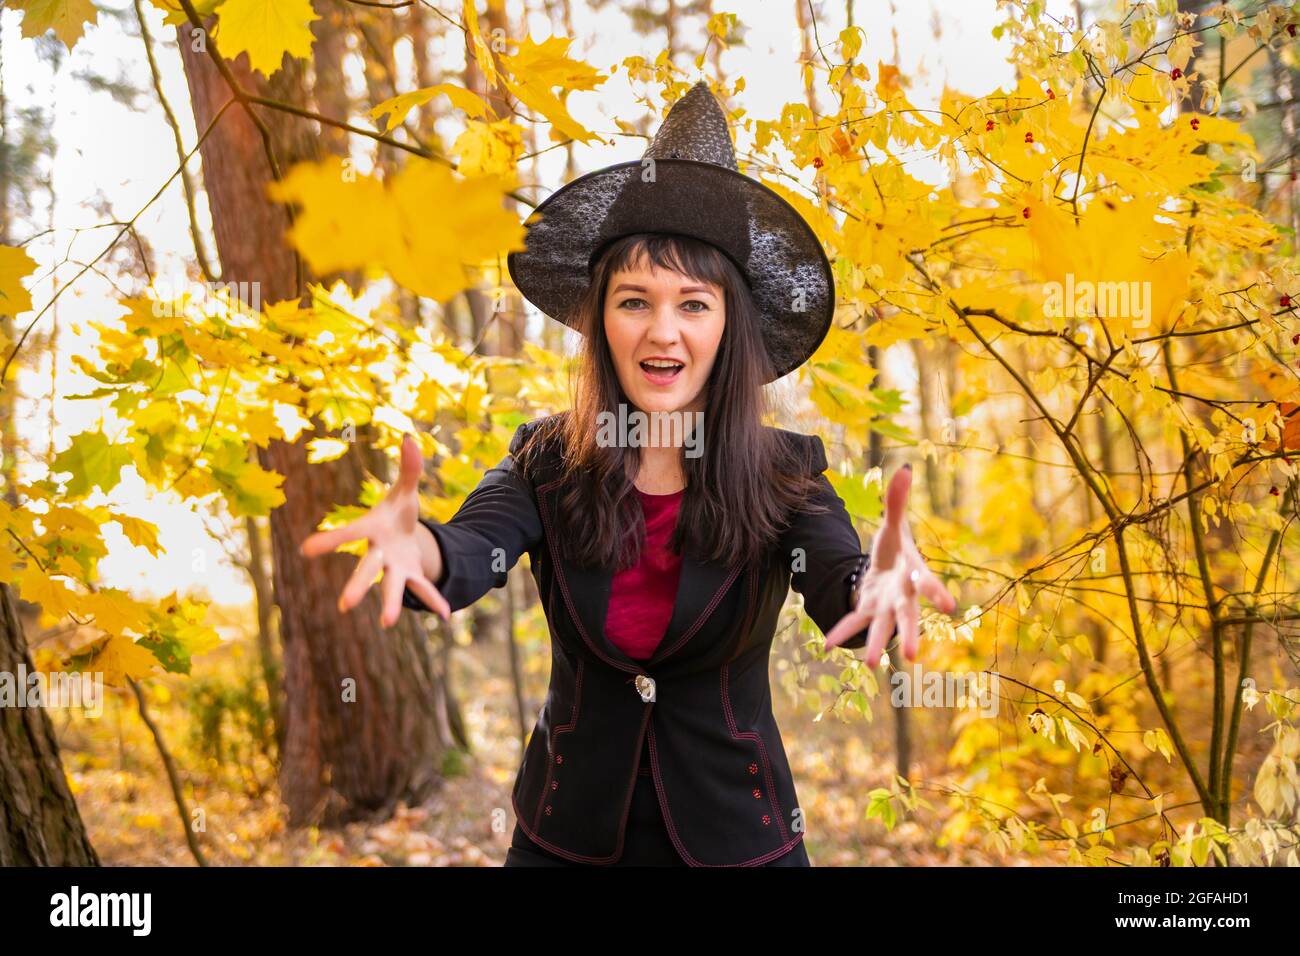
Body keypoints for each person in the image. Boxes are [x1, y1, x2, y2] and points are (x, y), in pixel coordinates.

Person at [299, 81, 957, 867]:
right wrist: (422, 553)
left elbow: (841, 585)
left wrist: (871, 587)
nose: (663, 330)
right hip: (564, 838)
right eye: (634, 300)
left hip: (739, 841)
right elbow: (474, 549)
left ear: (729, 326)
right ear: (600, 320)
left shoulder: (787, 473)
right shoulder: (547, 461)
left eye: (694, 304)